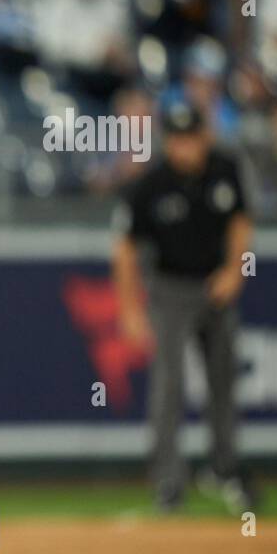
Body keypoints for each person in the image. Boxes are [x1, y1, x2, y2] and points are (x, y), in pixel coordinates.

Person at [112, 102, 256, 513]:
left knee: (223, 381)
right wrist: (129, 309)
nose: (184, 148)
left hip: (215, 287)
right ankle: (168, 480)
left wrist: (234, 271)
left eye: (191, 138)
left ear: (204, 137)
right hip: (170, 290)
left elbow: (242, 222)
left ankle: (224, 469)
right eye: (176, 139)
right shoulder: (152, 184)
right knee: (169, 384)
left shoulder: (225, 170)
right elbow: (124, 248)